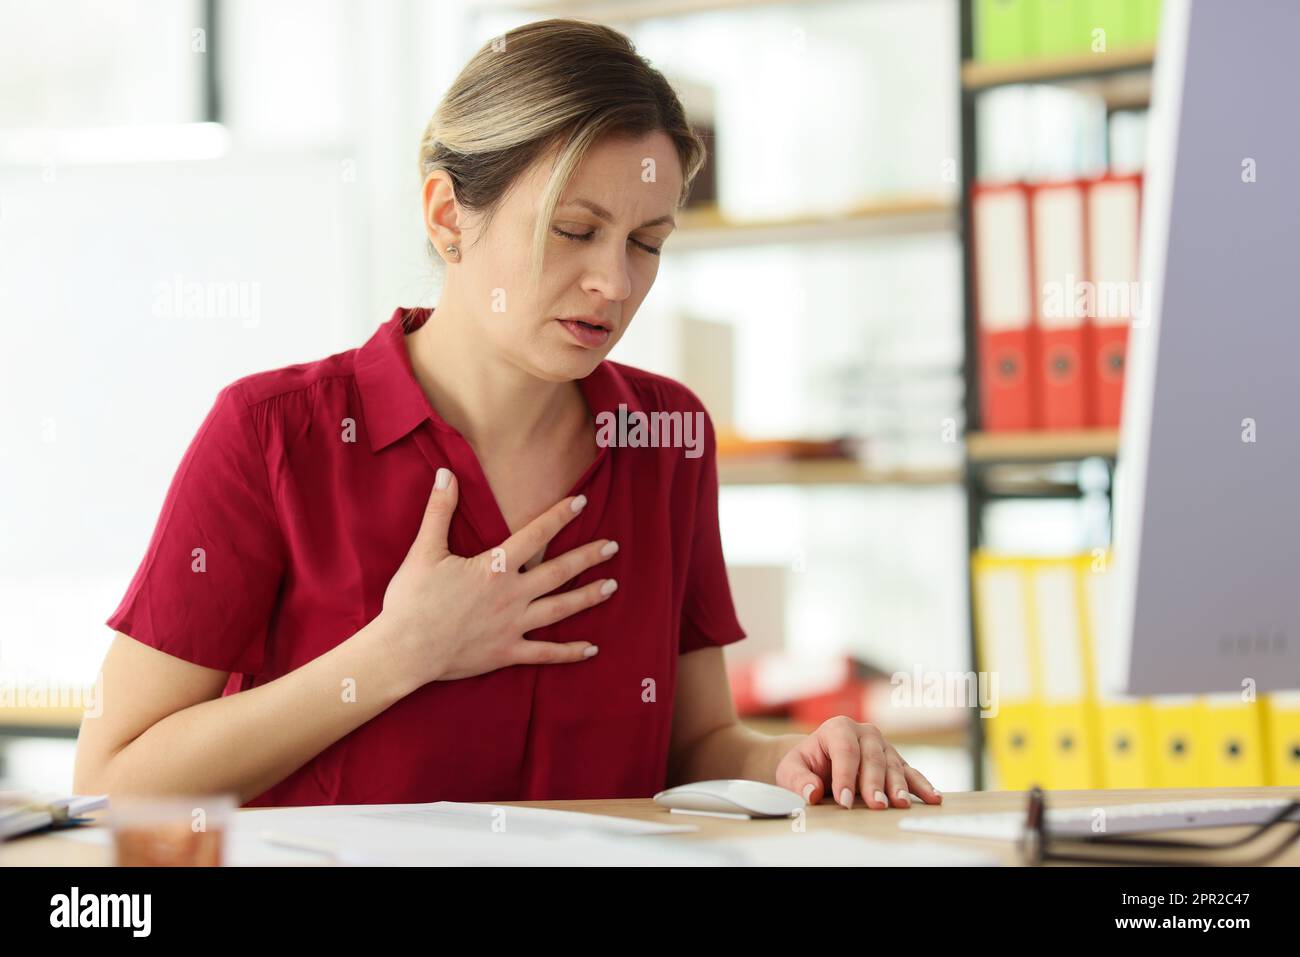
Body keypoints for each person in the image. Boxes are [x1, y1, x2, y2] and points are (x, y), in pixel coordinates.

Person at [74, 18, 942, 812]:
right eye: (574, 230)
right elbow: (113, 784)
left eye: (648, 243)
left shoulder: (667, 436)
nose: (616, 283)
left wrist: (796, 761)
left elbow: (693, 742)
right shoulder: (271, 432)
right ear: (449, 216)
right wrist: (397, 653)